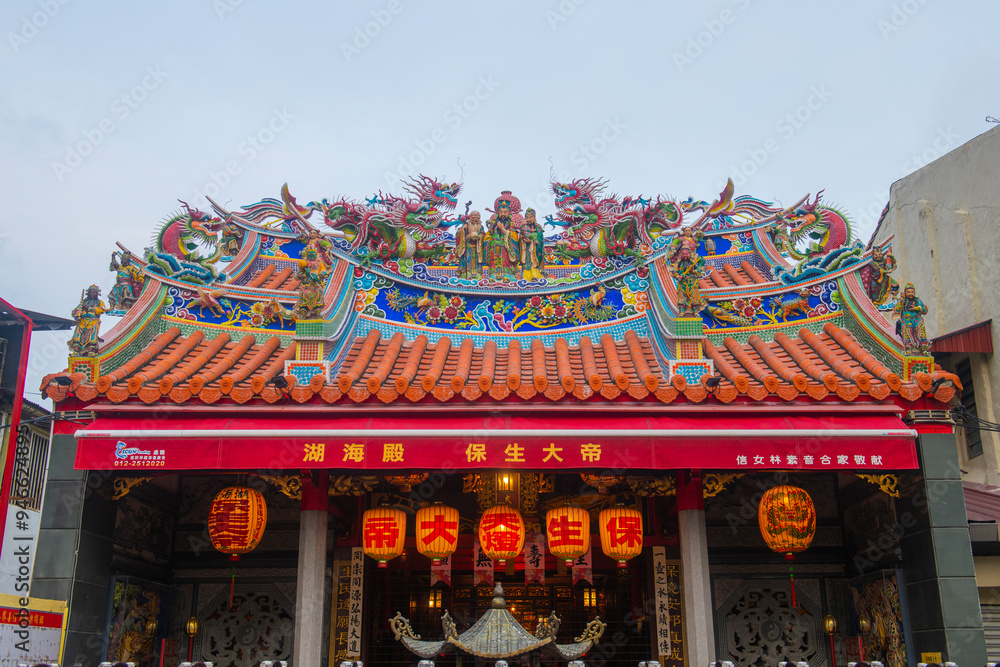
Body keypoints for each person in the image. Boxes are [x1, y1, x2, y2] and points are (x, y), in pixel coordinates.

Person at [68, 285, 107, 356]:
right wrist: (75, 313)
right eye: (90, 292)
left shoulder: (100, 302)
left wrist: (90, 308)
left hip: (93, 321)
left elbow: (102, 310)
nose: (92, 294)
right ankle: (76, 351)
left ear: (97, 294)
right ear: (88, 293)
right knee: (77, 336)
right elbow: (77, 310)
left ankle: (91, 351)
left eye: (94, 292)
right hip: (82, 321)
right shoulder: (83, 302)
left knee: (92, 336)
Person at [892, 282, 930, 354]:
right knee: (907, 331)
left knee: (920, 329)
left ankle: (923, 348)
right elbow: (897, 310)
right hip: (906, 320)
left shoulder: (917, 301)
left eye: (912, 292)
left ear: (914, 293)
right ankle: (908, 347)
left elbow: (924, 310)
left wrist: (916, 308)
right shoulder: (902, 301)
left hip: (917, 320)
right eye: (908, 292)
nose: (910, 294)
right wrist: (900, 302)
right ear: (905, 293)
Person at [455, 210, 484, 279]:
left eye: (478, 218)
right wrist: (463, 231)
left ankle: (478, 275)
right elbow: (458, 234)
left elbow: (483, 235)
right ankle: (466, 273)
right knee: (467, 260)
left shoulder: (481, 227)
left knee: (477, 261)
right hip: (467, 247)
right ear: (470, 218)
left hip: (477, 247)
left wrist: (479, 236)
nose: (476, 220)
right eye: (474, 217)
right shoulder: (466, 226)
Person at [520, 208, 546, 281]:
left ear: (534, 218)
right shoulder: (524, 228)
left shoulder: (538, 227)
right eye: (526, 217)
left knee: (534, 261)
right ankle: (526, 276)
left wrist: (532, 240)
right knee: (526, 261)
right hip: (526, 248)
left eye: (530, 217)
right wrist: (522, 239)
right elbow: (521, 236)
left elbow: (540, 238)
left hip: (535, 249)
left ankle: (536, 275)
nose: (528, 219)